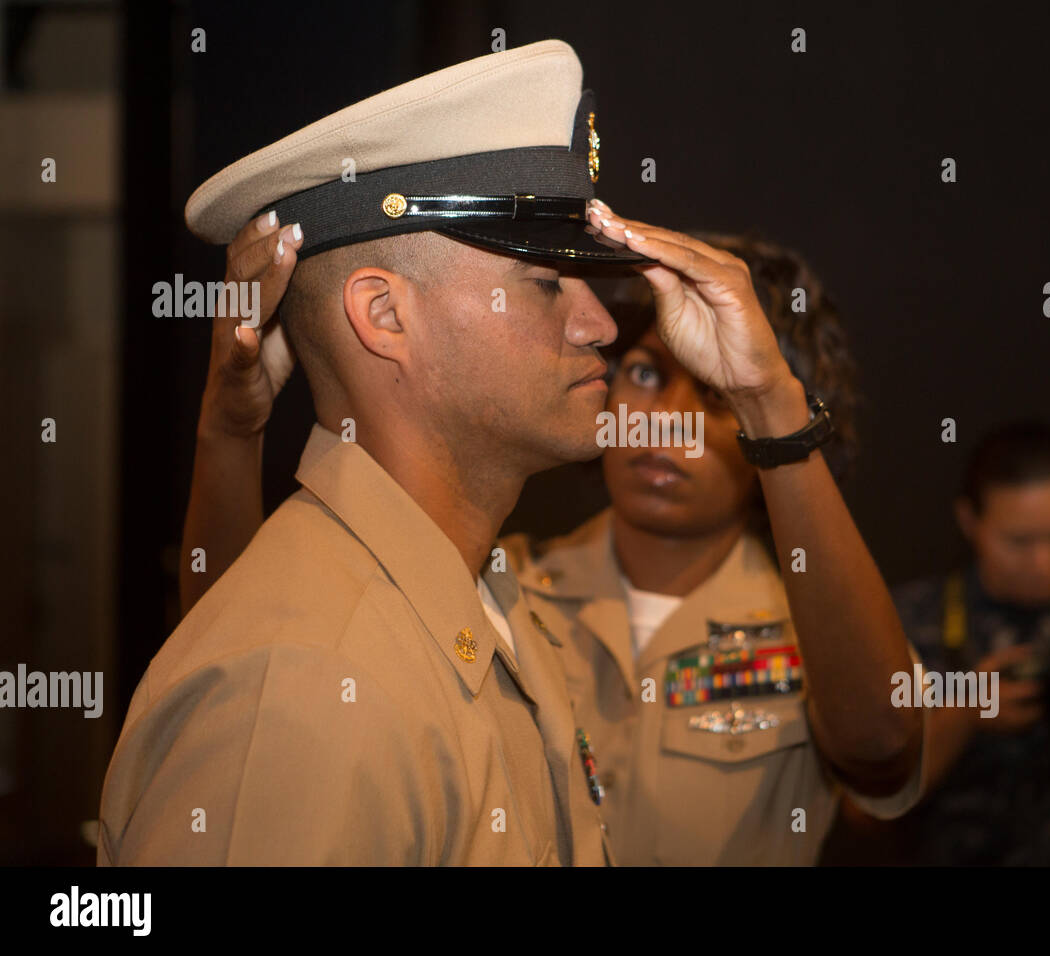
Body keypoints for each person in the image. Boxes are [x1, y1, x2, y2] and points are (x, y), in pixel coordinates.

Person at [178, 216, 928, 864]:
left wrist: (768, 404)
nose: (664, 419)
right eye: (641, 371)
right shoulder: (500, 588)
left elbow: (881, 748)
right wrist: (229, 432)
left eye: (711, 392)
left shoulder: (820, 627)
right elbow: (248, 655)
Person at [100, 39, 667, 866]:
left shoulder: (486, 602)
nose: (601, 325)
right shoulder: (301, 687)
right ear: (386, 317)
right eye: (546, 283)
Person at [835, 422, 1050, 865]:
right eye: (1019, 541)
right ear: (969, 521)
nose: (1042, 562)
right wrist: (963, 712)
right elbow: (862, 816)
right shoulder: (900, 627)